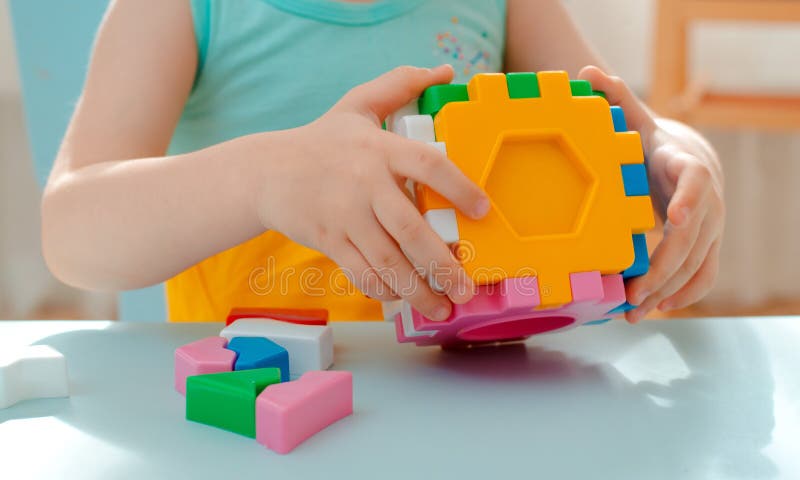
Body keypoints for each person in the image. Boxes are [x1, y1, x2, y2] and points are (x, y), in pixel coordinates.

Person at [41, 0, 725, 324]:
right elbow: (71, 232)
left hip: (480, 394)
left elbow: (626, 129)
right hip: (257, 407)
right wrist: (266, 176)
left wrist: (680, 158)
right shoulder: (174, 9)